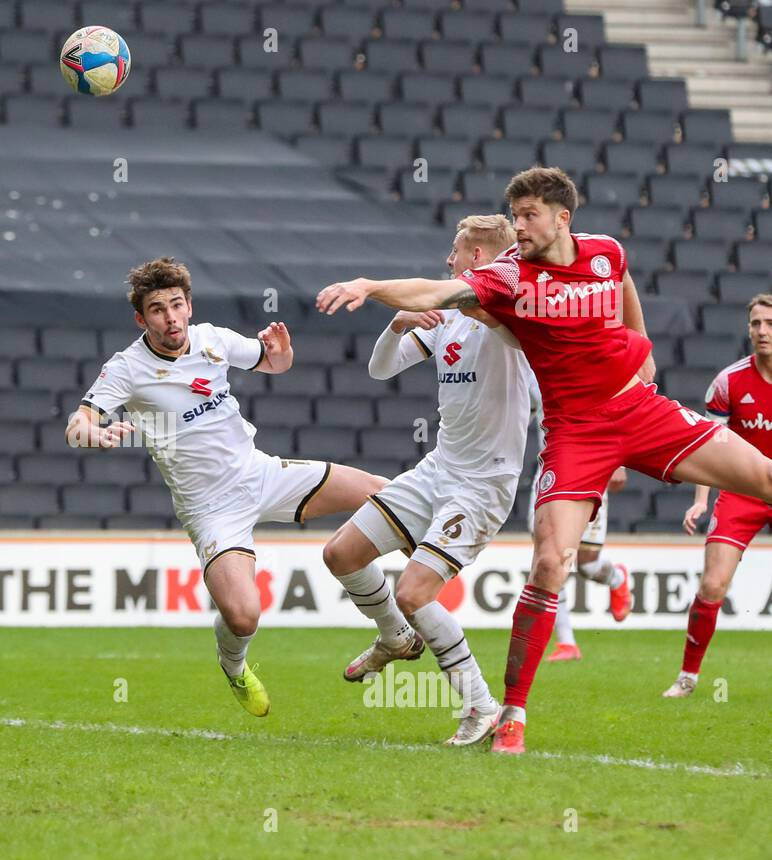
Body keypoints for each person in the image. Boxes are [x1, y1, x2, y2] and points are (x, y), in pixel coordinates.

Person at [315, 166, 772, 753]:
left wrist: (641, 345)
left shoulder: (606, 252)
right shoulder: (508, 278)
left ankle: (460, 684)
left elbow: (622, 279)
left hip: (639, 410)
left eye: (530, 215)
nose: (520, 226)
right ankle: (513, 715)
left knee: (761, 475)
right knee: (551, 562)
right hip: (576, 433)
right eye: (515, 216)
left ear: (563, 218)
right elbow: (434, 292)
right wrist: (370, 285)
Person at [66, 257, 386, 717]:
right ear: (141, 318)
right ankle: (233, 666)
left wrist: (281, 351)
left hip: (261, 474)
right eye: (157, 309)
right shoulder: (127, 369)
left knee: (383, 491)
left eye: (177, 305)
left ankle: (392, 632)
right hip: (211, 509)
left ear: (189, 306)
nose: (170, 317)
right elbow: (78, 424)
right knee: (243, 615)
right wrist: (93, 434)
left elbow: (275, 364)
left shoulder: (213, 339)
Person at [322, 214, 529, 745]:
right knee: (341, 554)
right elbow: (380, 370)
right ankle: (394, 638)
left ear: (478, 258)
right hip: (438, 468)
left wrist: (374, 289)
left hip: (484, 482)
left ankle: (480, 706)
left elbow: (458, 299)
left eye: (456, 251)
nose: (448, 260)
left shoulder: (508, 314)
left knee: (415, 591)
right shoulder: (448, 320)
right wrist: (397, 326)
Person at [667, 293, 772, 697]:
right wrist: (700, 501)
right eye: (755, 324)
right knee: (712, 585)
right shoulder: (729, 382)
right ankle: (688, 677)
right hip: (742, 493)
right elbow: (712, 445)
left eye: (768, 323)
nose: (761, 332)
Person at [523, 369, 632, 662]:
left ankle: (616, 577)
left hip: (591, 473)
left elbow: (619, 412)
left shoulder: (592, 368)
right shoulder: (533, 373)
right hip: (548, 476)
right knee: (549, 561)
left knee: (586, 564)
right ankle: (567, 643)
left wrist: (619, 461)